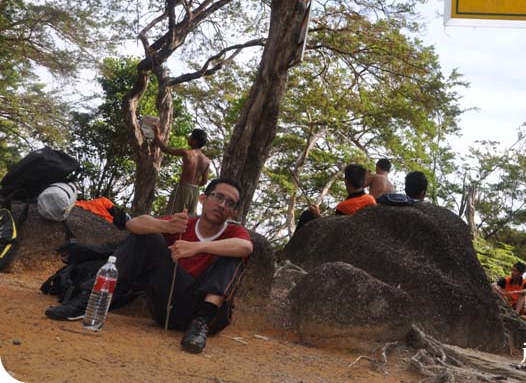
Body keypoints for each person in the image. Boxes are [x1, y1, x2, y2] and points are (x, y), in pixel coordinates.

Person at [45, 178, 253, 354]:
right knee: (147, 237)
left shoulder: (234, 233)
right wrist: (164, 225)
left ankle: (200, 325)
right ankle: (88, 301)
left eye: (230, 203)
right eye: (218, 197)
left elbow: (245, 247)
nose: (222, 205)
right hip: (168, 307)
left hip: (208, 316)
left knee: (233, 255)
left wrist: (198, 247)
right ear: (203, 198)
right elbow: (133, 225)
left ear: (233, 212)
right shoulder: (181, 223)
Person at [294, 164, 377, 231]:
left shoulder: (343, 206)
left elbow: (335, 232)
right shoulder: (371, 199)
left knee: (307, 215)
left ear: (346, 181)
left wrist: (318, 216)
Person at [152, 123, 210, 214]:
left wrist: (156, 135)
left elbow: (165, 149)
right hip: (195, 191)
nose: (188, 138)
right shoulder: (206, 161)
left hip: (182, 188)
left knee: (172, 215)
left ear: (195, 141)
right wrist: (193, 184)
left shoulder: (186, 153)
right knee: (188, 219)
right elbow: (204, 181)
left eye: (191, 136)